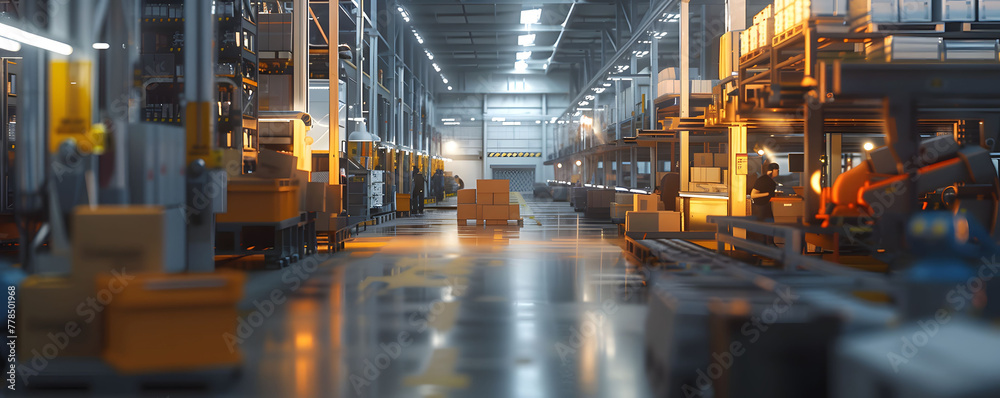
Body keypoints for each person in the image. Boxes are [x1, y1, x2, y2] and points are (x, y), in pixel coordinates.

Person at [750, 163, 780, 245]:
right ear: (772, 171)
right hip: (761, 207)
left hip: (764, 206)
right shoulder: (763, 180)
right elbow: (753, 195)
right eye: (777, 170)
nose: (778, 172)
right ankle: (766, 246)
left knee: (768, 226)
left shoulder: (768, 180)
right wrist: (767, 194)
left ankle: (767, 246)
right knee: (765, 226)